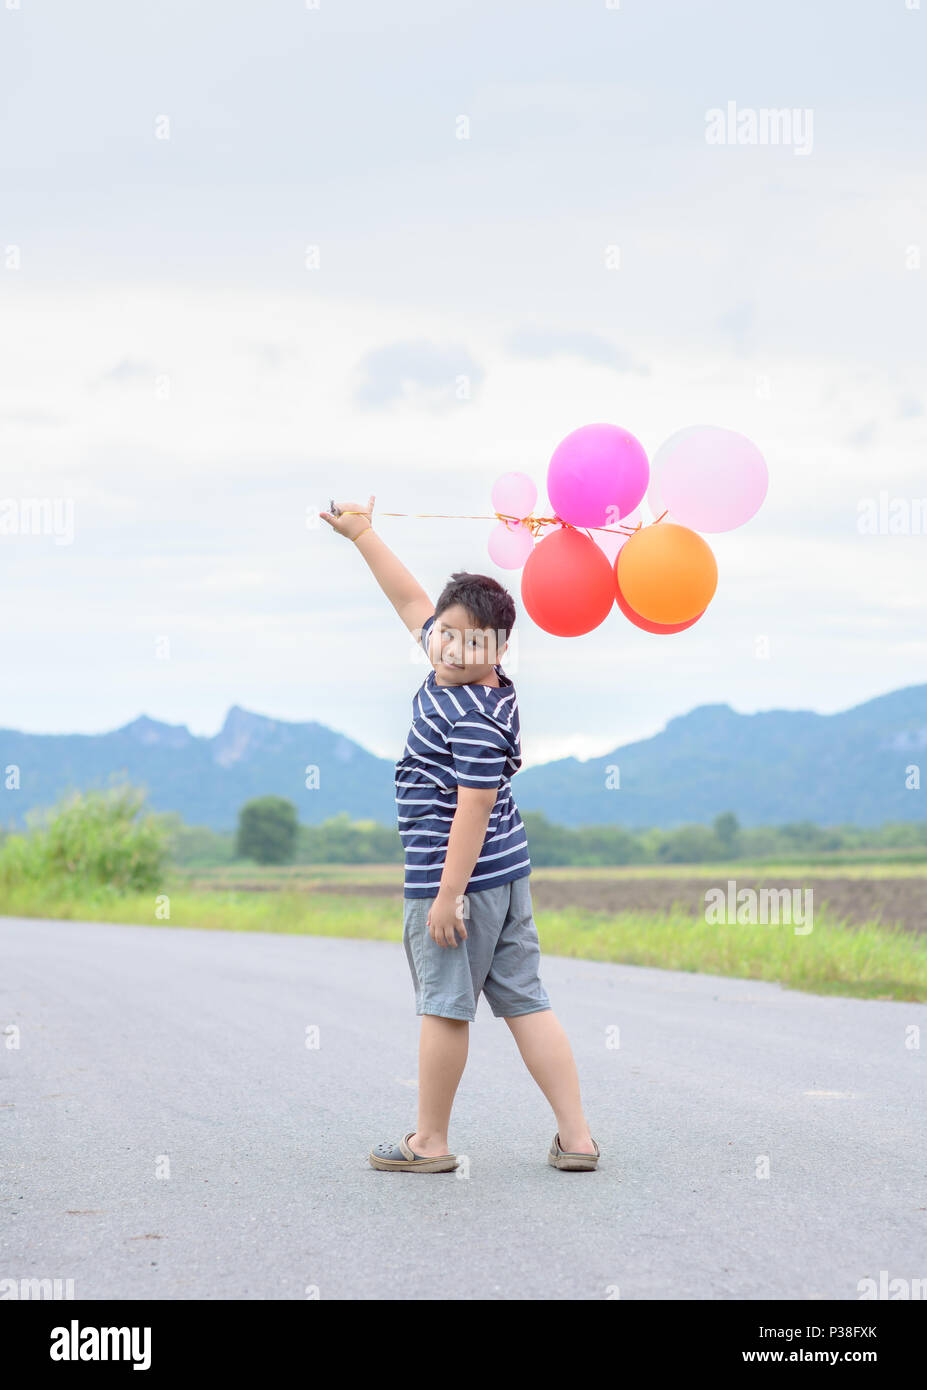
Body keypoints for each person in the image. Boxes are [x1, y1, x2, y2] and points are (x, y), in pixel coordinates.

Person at [321, 495, 600, 1173]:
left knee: (443, 1008)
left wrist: (446, 897)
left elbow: (472, 808)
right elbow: (409, 597)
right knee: (525, 1000)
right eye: (442, 632)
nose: (446, 645)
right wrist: (363, 535)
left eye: (467, 639)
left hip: (461, 881)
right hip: (506, 876)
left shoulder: (472, 711)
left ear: (498, 648)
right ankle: (577, 1139)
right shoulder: (461, 666)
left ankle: (429, 1143)